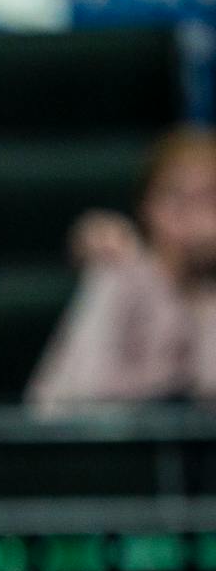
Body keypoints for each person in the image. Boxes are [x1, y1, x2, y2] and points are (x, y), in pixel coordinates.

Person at [29, 128, 216, 411]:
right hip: (91, 443)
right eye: (176, 197)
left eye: (208, 199)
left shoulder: (209, 294)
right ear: (146, 206)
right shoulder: (119, 271)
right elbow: (85, 391)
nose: (192, 216)